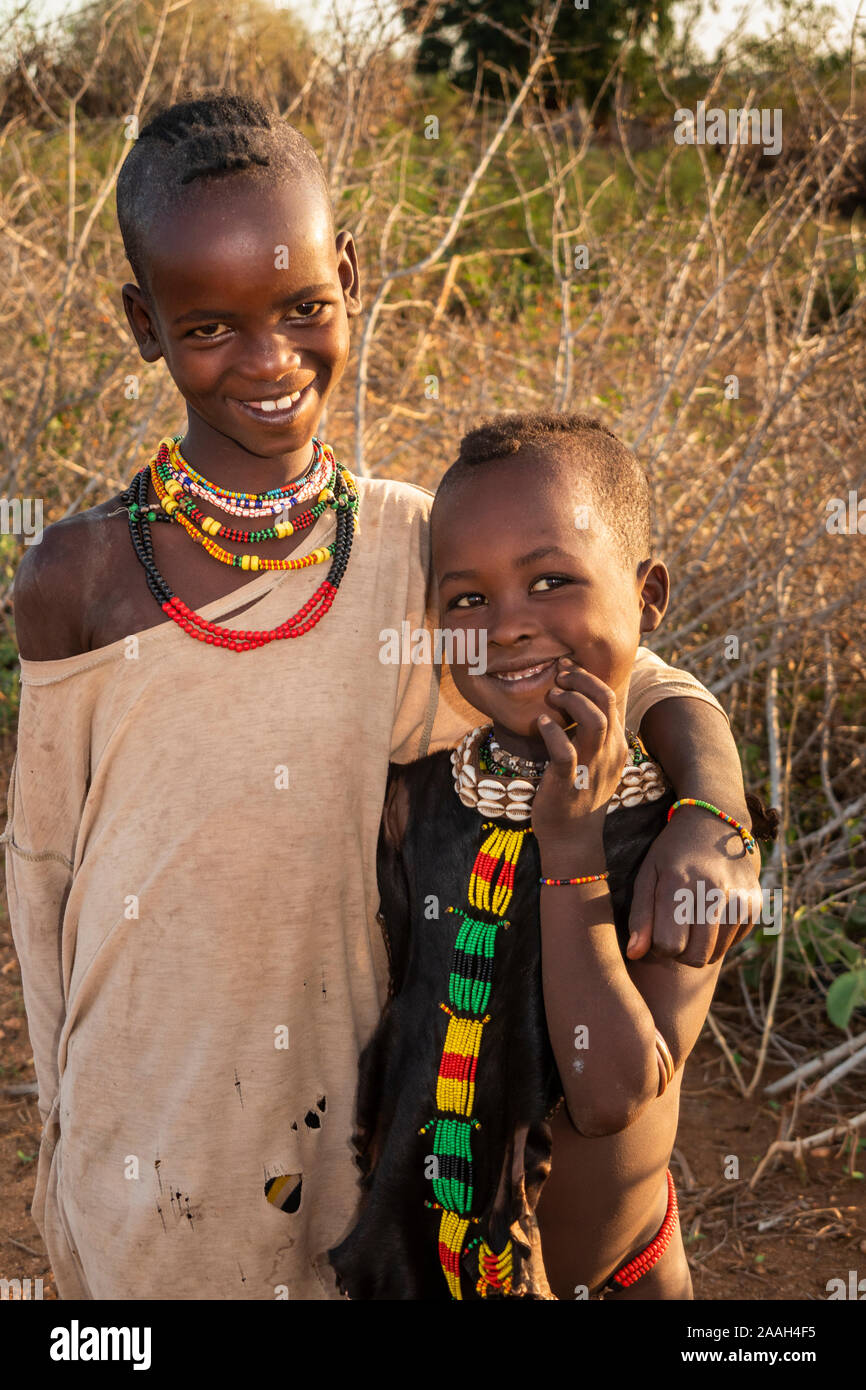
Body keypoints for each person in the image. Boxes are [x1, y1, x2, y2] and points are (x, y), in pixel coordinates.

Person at [3, 94, 760, 1300]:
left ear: (351, 276)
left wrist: (707, 814)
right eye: (207, 326)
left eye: (304, 308)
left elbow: (641, 671)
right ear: (142, 325)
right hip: (140, 1120)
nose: (266, 360)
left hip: (337, 1125)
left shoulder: (414, 552)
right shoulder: (77, 579)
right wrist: (65, 1126)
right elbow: (42, 876)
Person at [329, 413, 776, 1300]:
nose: (508, 626)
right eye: (467, 600)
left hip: (614, 1280)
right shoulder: (417, 804)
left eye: (550, 581)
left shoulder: (675, 847)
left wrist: (571, 849)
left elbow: (610, 1095)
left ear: (647, 599)